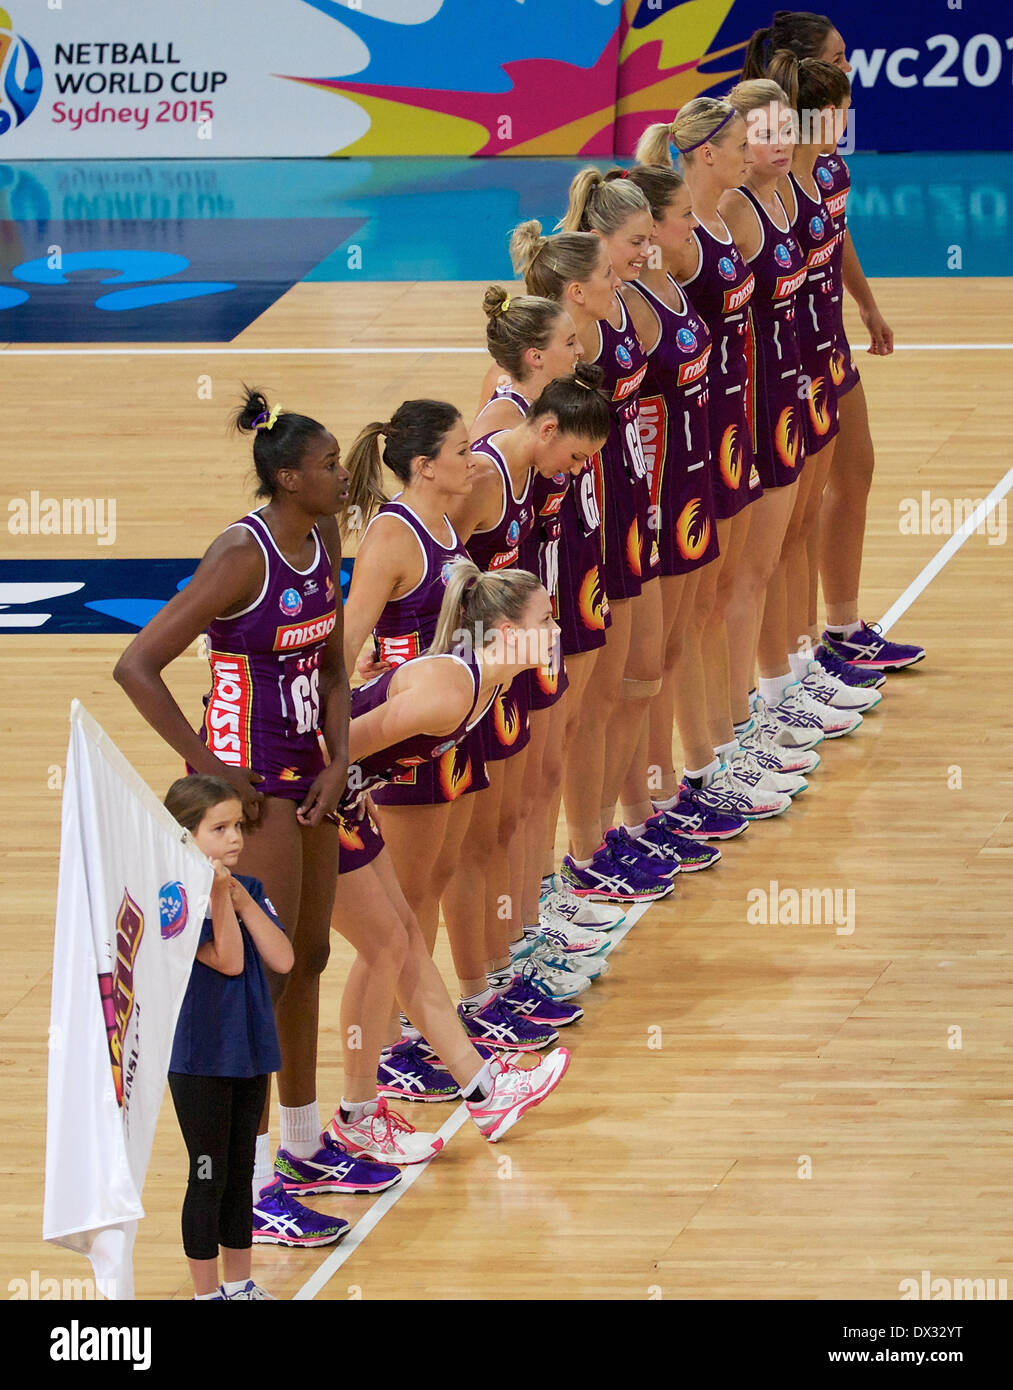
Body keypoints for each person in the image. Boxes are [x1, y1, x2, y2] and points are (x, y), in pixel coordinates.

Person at [114, 389, 388, 1246]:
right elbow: (137, 664)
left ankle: (303, 1145)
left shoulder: (325, 536)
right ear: (285, 476)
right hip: (254, 789)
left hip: (309, 773)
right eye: (329, 465)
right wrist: (212, 770)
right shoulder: (242, 555)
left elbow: (337, 669)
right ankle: (255, 1183)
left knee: (306, 956)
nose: (342, 476)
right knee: (257, 984)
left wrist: (340, 759)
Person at [325, 559, 572, 1147]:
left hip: (341, 796)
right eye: (547, 619)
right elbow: (336, 748)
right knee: (386, 943)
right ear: (508, 634)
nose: (559, 632)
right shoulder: (452, 690)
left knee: (399, 938)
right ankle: (356, 1119)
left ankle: (484, 1094)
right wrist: (338, 799)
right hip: (297, 797)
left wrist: (358, 790)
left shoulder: (488, 685)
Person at [741, 9, 925, 671]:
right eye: (839, 59)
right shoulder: (767, 171)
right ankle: (792, 661)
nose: (849, 70)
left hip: (829, 342)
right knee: (790, 515)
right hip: (786, 358)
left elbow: (834, 234)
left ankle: (840, 628)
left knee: (856, 469)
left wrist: (865, 303)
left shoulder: (826, 166)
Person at [165, 774, 305, 1300]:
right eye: (218, 828)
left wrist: (240, 899)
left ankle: (240, 1285)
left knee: (241, 1173)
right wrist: (218, 897)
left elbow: (283, 957)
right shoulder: (174, 905)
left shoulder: (249, 892)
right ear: (185, 836)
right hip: (200, 1059)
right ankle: (206, 1295)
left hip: (250, 1053)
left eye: (238, 827)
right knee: (207, 1176)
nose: (235, 839)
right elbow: (227, 960)